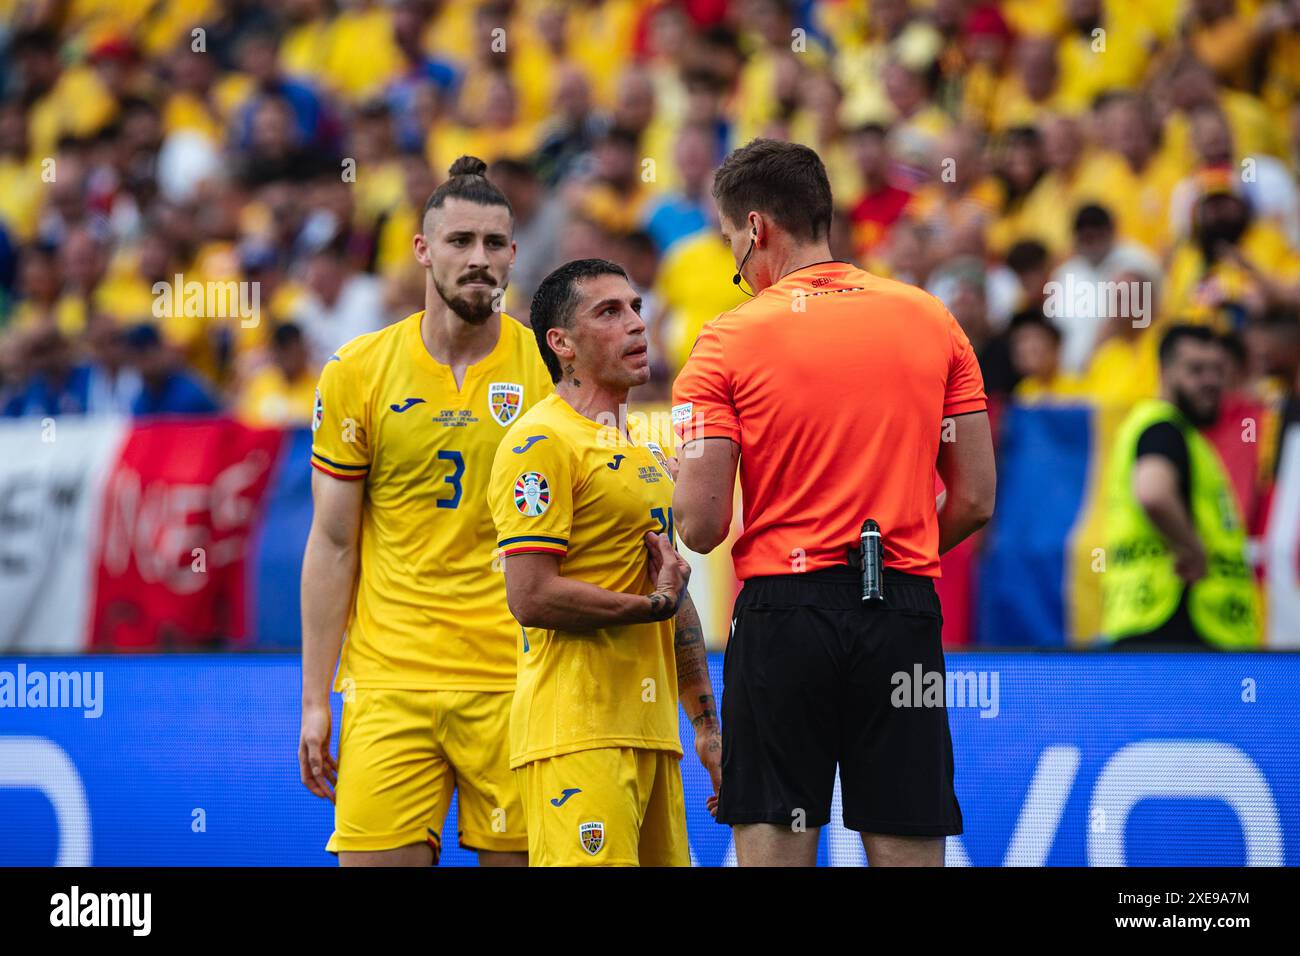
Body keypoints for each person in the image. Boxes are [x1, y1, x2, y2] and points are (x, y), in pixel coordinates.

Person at [671, 138, 996, 867]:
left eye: (730, 237)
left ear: (755, 229)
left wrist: (677, 468)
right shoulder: (931, 318)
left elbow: (699, 524)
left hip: (784, 619)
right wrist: (906, 553)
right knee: (908, 845)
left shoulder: (724, 340)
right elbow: (974, 498)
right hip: (903, 613)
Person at [298, 156, 553, 866]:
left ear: (512, 253)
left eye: (495, 244)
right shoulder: (358, 371)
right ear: (422, 250)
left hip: (517, 683)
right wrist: (316, 698)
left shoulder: (548, 373)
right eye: (460, 241)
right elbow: (332, 544)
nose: (479, 259)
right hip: (390, 684)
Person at [488, 258, 720, 867]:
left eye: (638, 308)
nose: (637, 325)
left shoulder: (643, 449)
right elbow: (532, 596)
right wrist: (652, 605)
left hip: (653, 737)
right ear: (560, 343)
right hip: (577, 736)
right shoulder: (540, 442)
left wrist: (706, 726)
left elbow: (671, 590)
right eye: (610, 312)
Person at [1101, 324, 1261, 649]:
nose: (1211, 382)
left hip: (1148, 619)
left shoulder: (1167, 431)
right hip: (1175, 622)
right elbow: (1153, 492)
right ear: (1164, 370)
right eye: (1196, 370)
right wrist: (1193, 549)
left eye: (1218, 370)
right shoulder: (1163, 427)